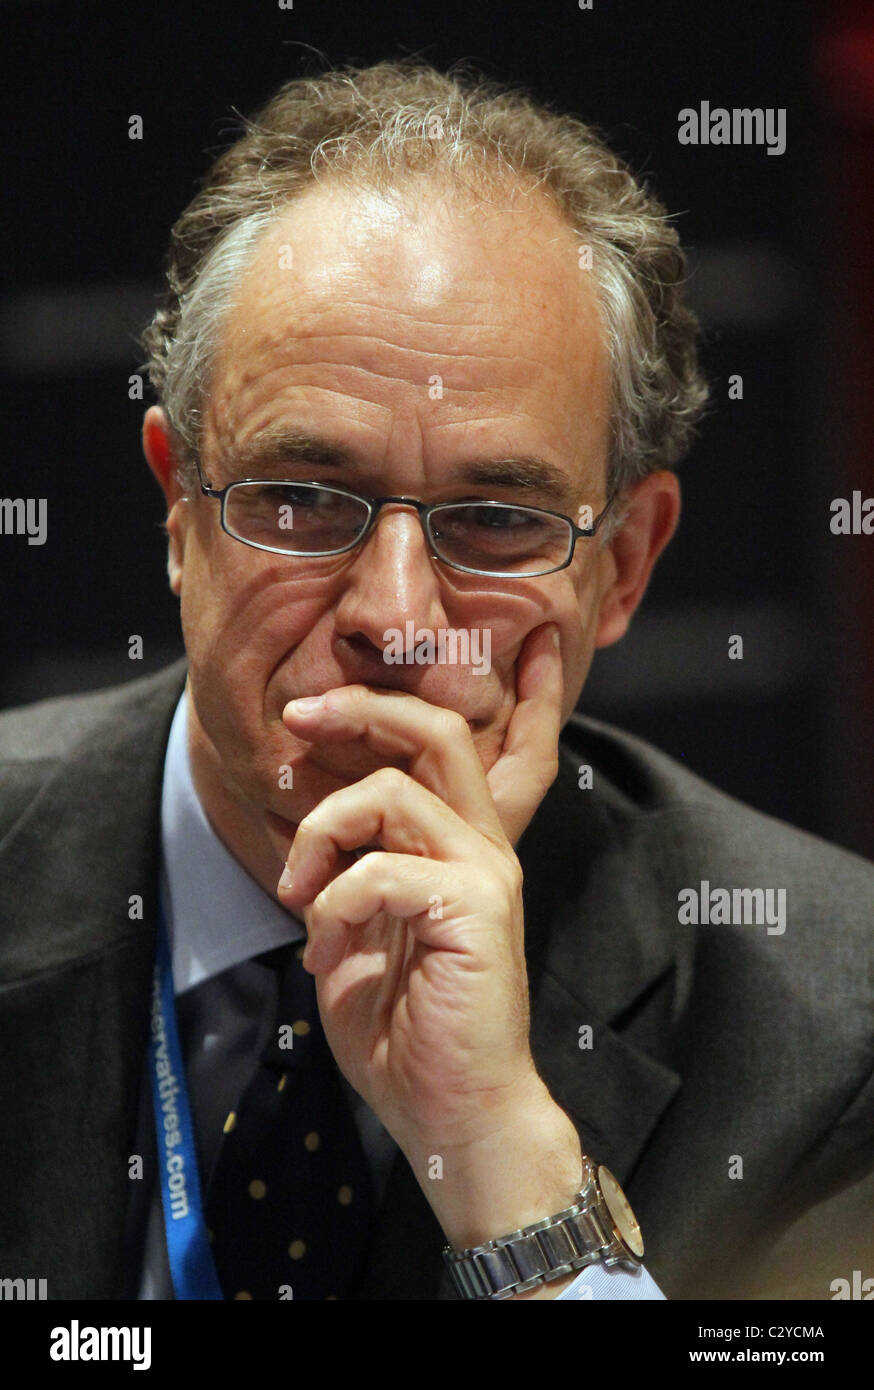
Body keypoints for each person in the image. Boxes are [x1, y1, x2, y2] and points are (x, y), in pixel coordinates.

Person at [1, 60, 872, 1303]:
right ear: (177, 512)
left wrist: (507, 1168)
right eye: (300, 499)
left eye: (498, 519)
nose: (396, 619)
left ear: (621, 567)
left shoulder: (836, 1025)